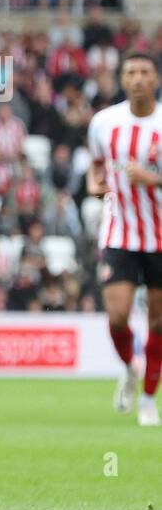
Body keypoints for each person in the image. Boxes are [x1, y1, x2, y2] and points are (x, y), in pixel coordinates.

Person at [87, 51, 162, 427]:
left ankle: (149, 399)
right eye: (130, 72)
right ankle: (131, 369)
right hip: (119, 231)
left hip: (161, 235)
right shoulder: (104, 122)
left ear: (156, 79)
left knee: (159, 321)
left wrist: (153, 180)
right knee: (117, 317)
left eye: (144, 72)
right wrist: (93, 185)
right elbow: (96, 166)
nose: (136, 79)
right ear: (122, 78)